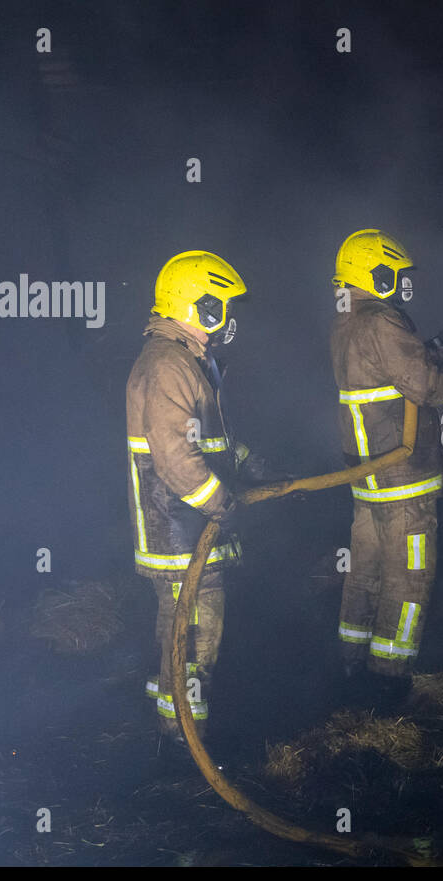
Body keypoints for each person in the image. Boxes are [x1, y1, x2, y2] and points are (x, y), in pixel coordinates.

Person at [126, 250, 281, 743]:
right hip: (179, 535)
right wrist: (225, 506)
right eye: (222, 306)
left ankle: (167, 727)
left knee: (176, 632)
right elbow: (176, 461)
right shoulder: (169, 365)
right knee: (196, 637)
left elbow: (207, 441)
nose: (230, 319)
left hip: (183, 532)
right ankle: (184, 740)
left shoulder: (187, 361)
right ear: (198, 306)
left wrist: (253, 465)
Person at [328, 229, 443, 708]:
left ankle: (351, 666)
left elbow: (392, 368)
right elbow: (426, 386)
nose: (403, 283)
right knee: (408, 577)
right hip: (404, 476)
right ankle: (389, 679)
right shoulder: (380, 320)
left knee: (365, 571)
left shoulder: (348, 321)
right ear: (373, 274)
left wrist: (429, 345)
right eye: (394, 273)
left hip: (368, 477)